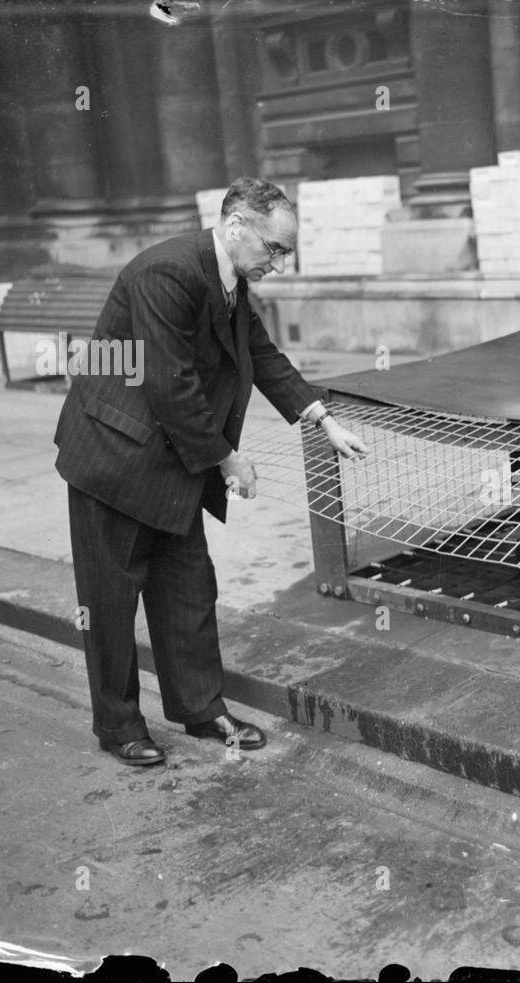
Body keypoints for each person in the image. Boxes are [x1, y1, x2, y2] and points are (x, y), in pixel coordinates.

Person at [54, 177, 367, 766]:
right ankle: (118, 725)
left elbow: (263, 356)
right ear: (236, 225)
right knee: (112, 601)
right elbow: (171, 383)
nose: (279, 263)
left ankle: (201, 709)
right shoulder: (167, 273)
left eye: (286, 253)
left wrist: (321, 418)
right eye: (275, 249)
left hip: (170, 458)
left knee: (188, 588)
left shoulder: (229, 282)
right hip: (114, 459)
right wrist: (228, 458)